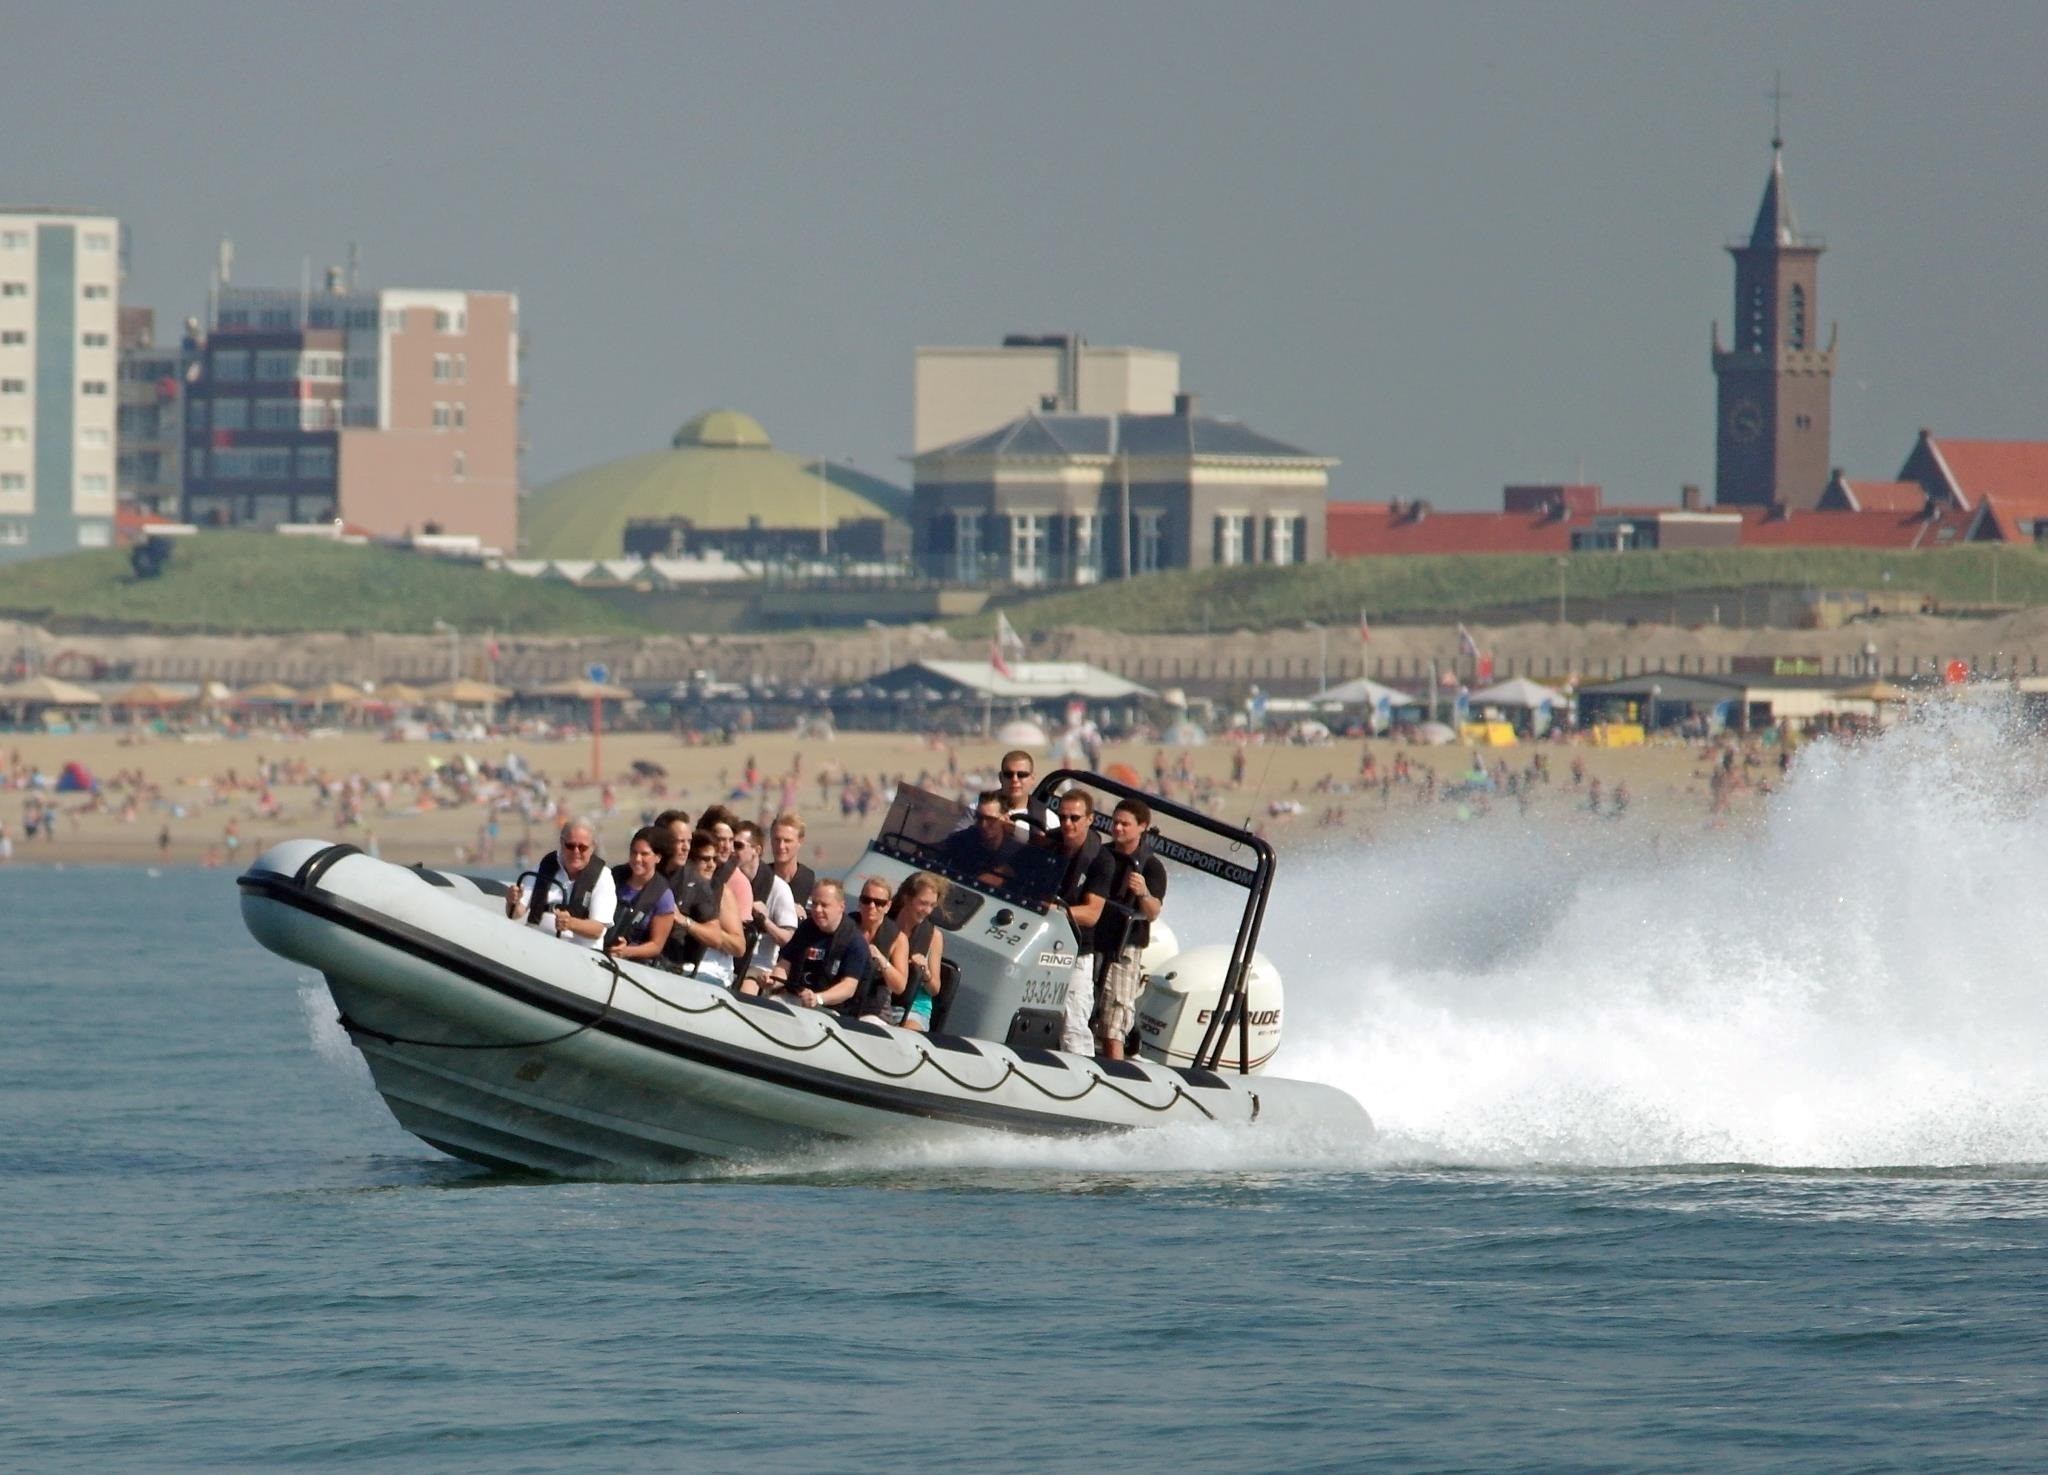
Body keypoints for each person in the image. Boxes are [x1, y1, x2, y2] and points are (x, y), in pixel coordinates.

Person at [1094, 797, 1167, 1061]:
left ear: (1142, 827)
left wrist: (1143, 892)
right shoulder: (1102, 855)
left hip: (1126, 947)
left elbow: (1153, 912)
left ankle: (1117, 1071)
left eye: (1125, 824)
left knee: (1114, 1019)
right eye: (1115, 823)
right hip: (1093, 940)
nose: (1118, 829)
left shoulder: (1151, 866)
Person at [752, 880, 871, 1011]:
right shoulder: (806, 928)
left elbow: (848, 987)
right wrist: (772, 981)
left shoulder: (854, 941)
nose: (817, 910)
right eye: (814, 903)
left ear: (841, 907)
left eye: (824, 905)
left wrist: (818, 998)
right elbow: (784, 965)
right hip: (792, 997)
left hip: (828, 1008)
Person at [1051, 788, 1109, 1054]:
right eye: (1063, 817)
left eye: (1074, 818)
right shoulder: (1047, 844)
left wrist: (1055, 910)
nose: (1067, 824)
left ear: (1089, 819)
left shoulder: (1100, 860)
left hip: (1076, 950)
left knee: (1073, 1027)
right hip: (1038, 941)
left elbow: (1092, 912)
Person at [506, 818, 616, 948]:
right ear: (561, 843)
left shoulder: (603, 877)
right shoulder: (543, 868)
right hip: (536, 945)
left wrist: (570, 923)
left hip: (579, 952)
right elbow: (515, 914)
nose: (576, 852)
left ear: (592, 847)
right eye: (570, 846)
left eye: (582, 847)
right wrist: (512, 901)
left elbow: (597, 930)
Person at [662, 828, 745, 983]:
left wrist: (695, 926)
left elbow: (739, 946)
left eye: (714, 859)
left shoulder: (721, 892)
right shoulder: (675, 885)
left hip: (710, 970)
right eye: (705, 859)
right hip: (673, 963)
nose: (712, 865)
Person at [735, 819, 799, 982]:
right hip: (729, 957)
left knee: (748, 986)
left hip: (759, 965)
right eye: (730, 845)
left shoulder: (778, 888)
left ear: (756, 850)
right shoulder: (727, 880)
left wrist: (764, 921)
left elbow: (789, 940)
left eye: (738, 846)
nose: (732, 851)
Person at [603, 826, 678, 965]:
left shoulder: (663, 896)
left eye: (644, 854)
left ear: (658, 857)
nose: (637, 859)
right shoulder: (613, 877)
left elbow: (656, 946)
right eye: (634, 853)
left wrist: (626, 951)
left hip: (635, 964)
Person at [890, 871, 949, 1032]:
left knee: (907, 1032)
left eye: (932, 905)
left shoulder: (934, 937)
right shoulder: (887, 925)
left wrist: (926, 973)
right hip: (881, 999)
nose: (927, 910)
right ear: (907, 898)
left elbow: (935, 988)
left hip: (914, 1009)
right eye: (923, 903)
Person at [846, 874, 909, 1023]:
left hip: (874, 1011)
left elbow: (899, 986)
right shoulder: (846, 925)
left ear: (887, 906)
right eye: (866, 900)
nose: (871, 906)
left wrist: (882, 960)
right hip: (842, 999)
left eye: (879, 902)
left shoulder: (898, 939)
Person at [940, 791, 1024, 888]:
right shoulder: (966, 838)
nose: (983, 825)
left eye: (990, 819)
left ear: (1005, 818)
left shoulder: (1017, 852)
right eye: (980, 818)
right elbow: (941, 847)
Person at [996, 749, 1055, 839]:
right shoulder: (978, 807)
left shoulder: (1047, 818)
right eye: (1008, 774)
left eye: (1022, 775)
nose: (1015, 780)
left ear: (1032, 778)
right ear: (1000, 777)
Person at [770, 811, 816, 910]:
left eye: (787, 841)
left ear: (800, 841)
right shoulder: (762, 877)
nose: (781, 846)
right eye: (777, 840)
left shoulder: (808, 880)